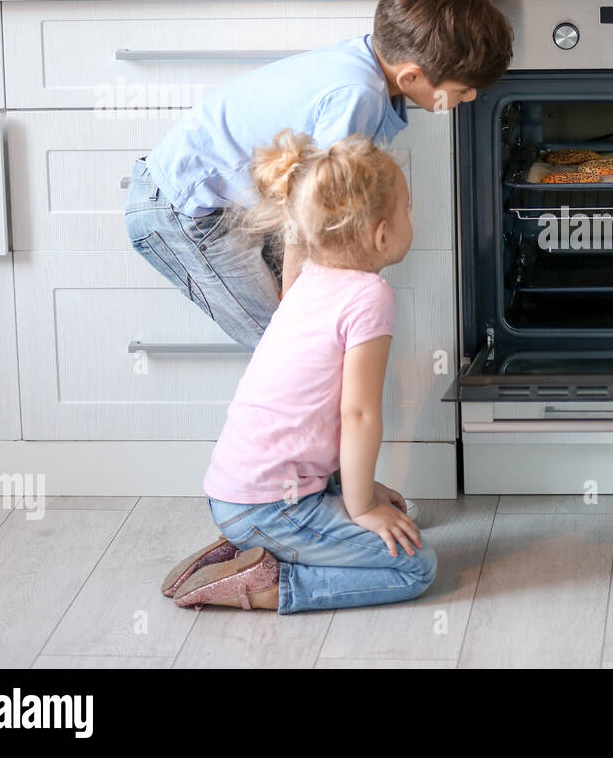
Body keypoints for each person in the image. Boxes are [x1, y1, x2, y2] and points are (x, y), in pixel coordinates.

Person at [125, 0, 513, 347]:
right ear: (410, 76)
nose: (471, 97)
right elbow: (308, 209)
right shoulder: (356, 96)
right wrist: (295, 296)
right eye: (463, 89)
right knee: (291, 348)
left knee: (315, 337)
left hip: (226, 206)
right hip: (185, 212)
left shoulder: (368, 68)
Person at [161, 131, 435, 612]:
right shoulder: (370, 296)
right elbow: (358, 415)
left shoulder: (309, 279)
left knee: (393, 514)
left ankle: (253, 549)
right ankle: (265, 579)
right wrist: (362, 507)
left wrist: (364, 491)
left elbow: (317, 420)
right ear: (380, 233)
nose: (412, 217)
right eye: (407, 209)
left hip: (240, 495)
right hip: (271, 506)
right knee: (413, 565)